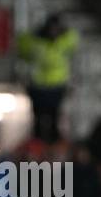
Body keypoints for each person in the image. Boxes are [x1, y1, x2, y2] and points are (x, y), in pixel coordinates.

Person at [17, 13, 78, 143]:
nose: (53, 31)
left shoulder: (64, 40)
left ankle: (53, 145)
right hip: (38, 85)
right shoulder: (36, 41)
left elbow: (73, 38)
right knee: (38, 118)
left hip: (57, 85)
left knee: (54, 117)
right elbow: (22, 45)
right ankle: (37, 145)